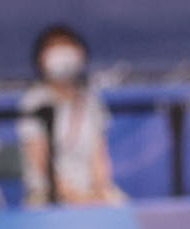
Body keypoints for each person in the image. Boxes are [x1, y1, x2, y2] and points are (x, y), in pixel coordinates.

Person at [16, 23, 121, 207]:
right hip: (47, 196)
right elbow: (40, 160)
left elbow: (99, 155)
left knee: (119, 206)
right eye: (54, 46)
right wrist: (73, 196)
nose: (62, 53)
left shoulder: (91, 101)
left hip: (92, 193)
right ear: (41, 57)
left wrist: (100, 190)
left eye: (67, 45)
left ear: (81, 52)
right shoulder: (34, 102)